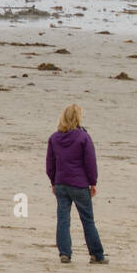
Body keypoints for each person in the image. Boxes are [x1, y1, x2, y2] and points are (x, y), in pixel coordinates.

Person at [46, 103, 108, 264]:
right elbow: (90, 163)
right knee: (87, 220)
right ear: (78, 118)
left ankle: (64, 254)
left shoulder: (54, 138)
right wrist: (92, 182)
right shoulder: (83, 137)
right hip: (79, 184)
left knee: (63, 220)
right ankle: (97, 255)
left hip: (61, 184)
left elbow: (50, 164)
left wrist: (53, 181)